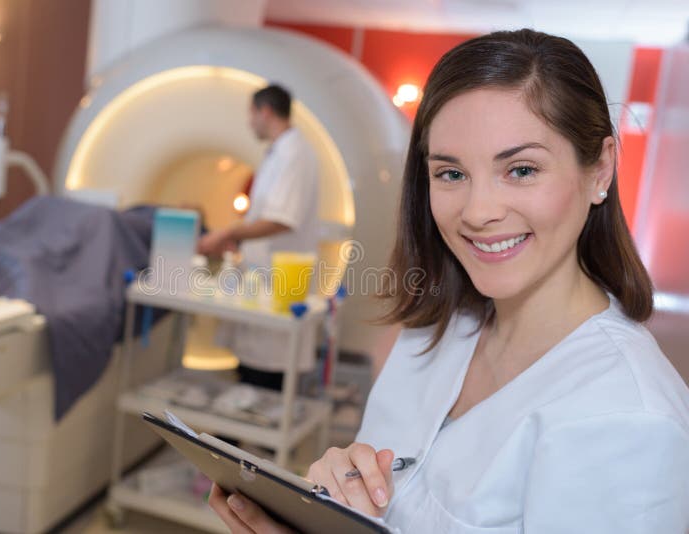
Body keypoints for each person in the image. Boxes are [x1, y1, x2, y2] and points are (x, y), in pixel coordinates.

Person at [208, 29, 689, 533]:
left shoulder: (630, 419)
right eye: (451, 174)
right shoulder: (435, 330)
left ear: (601, 170)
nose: (478, 213)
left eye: (521, 170)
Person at [199, 84, 319, 390]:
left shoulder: (295, 154)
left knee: (265, 380)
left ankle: (242, 437)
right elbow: (264, 217)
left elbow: (281, 220)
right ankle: (232, 436)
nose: (249, 122)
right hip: (261, 280)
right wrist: (236, 239)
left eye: (251, 114)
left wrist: (229, 232)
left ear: (265, 111)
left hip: (280, 283)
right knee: (249, 375)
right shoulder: (277, 154)